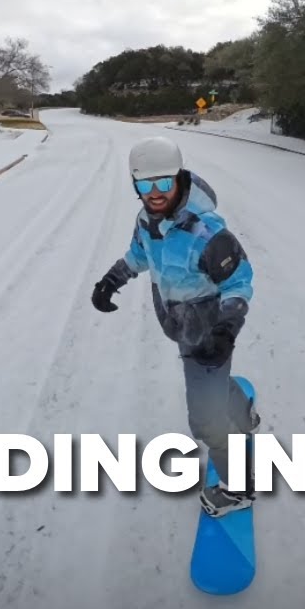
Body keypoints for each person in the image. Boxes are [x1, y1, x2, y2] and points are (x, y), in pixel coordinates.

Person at [90, 136, 260, 517]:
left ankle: (239, 489)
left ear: (179, 178)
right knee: (214, 384)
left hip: (211, 331)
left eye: (163, 183)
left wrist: (225, 329)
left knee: (205, 422)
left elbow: (240, 283)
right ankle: (244, 412)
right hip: (180, 323)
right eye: (144, 184)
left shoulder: (208, 233)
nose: (154, 193)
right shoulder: (146, 221)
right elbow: (139, 254)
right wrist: (112, 280)